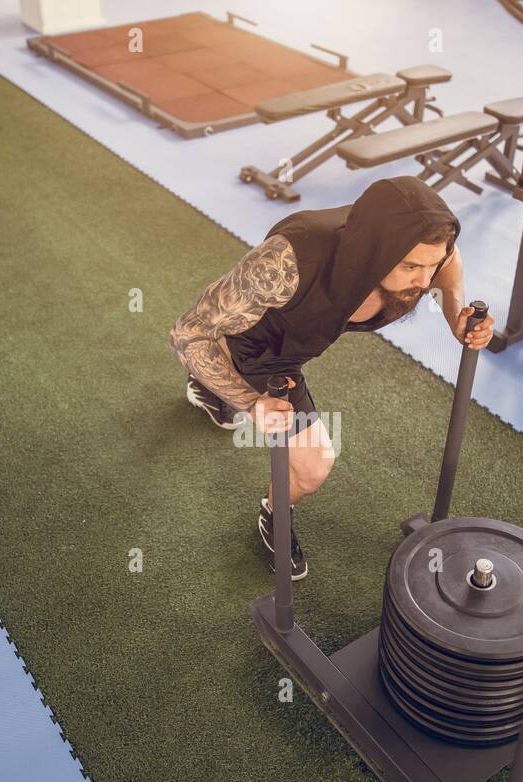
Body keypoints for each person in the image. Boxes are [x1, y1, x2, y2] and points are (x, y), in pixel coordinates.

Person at [168, 176, 494, 579]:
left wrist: (455, 316)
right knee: (314, 466)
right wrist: (253, 403)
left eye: (430, 266)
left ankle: (214, 392)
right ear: (374, 251)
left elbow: (450, 264)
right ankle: (273, 510)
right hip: (254, 353)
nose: (424, 282)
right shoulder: (284, 263)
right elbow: (188, 333)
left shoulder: (424, 251)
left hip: (298, 343)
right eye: (411, 267)